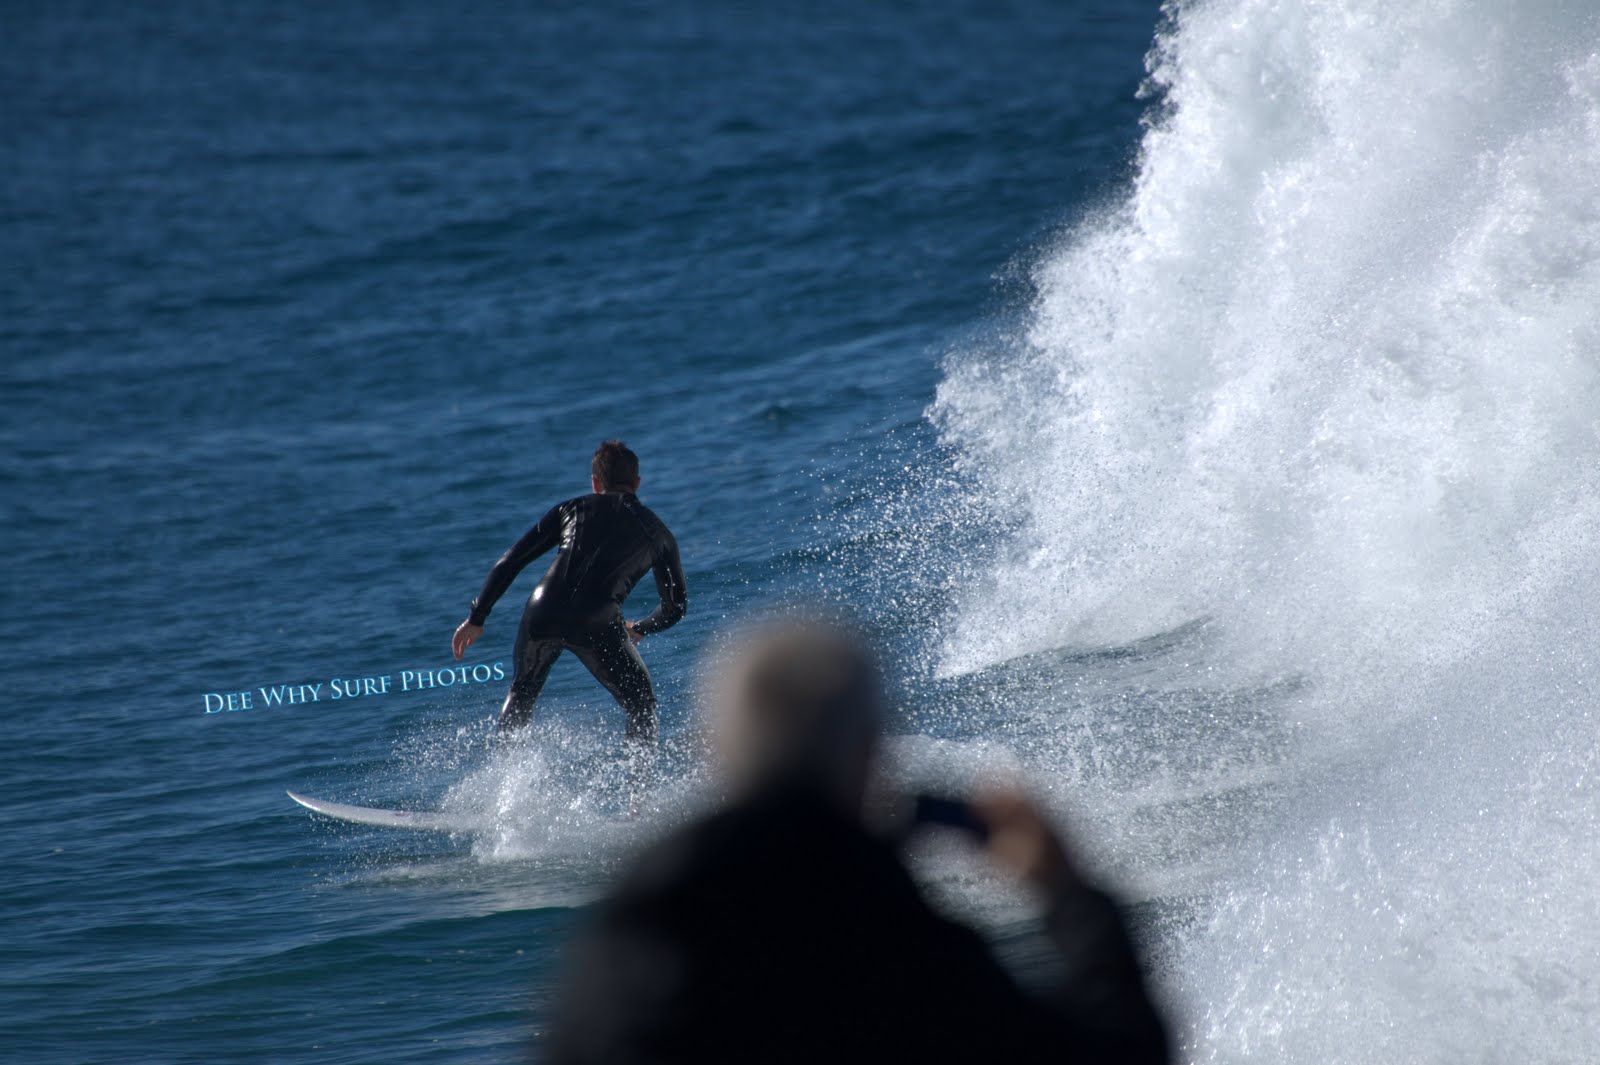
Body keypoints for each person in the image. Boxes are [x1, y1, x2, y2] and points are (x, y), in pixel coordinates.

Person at [544, 619, 1171, 1065]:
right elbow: (1121, 1051)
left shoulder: (625, 930)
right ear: (871, 749)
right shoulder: (881, 934)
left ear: (716, 753)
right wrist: (1067, 893)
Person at [451, 440, 686, 744]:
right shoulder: (658, 533)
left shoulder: (572, 508)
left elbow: (511, 561)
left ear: (595, 482)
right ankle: (638, 790)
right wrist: (640, 627)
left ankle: (502, 777)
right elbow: (675, 607)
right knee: (642, 707)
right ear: (637, 483)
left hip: (542, 610)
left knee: (522, 691)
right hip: (597, 620)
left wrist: (477, 617)